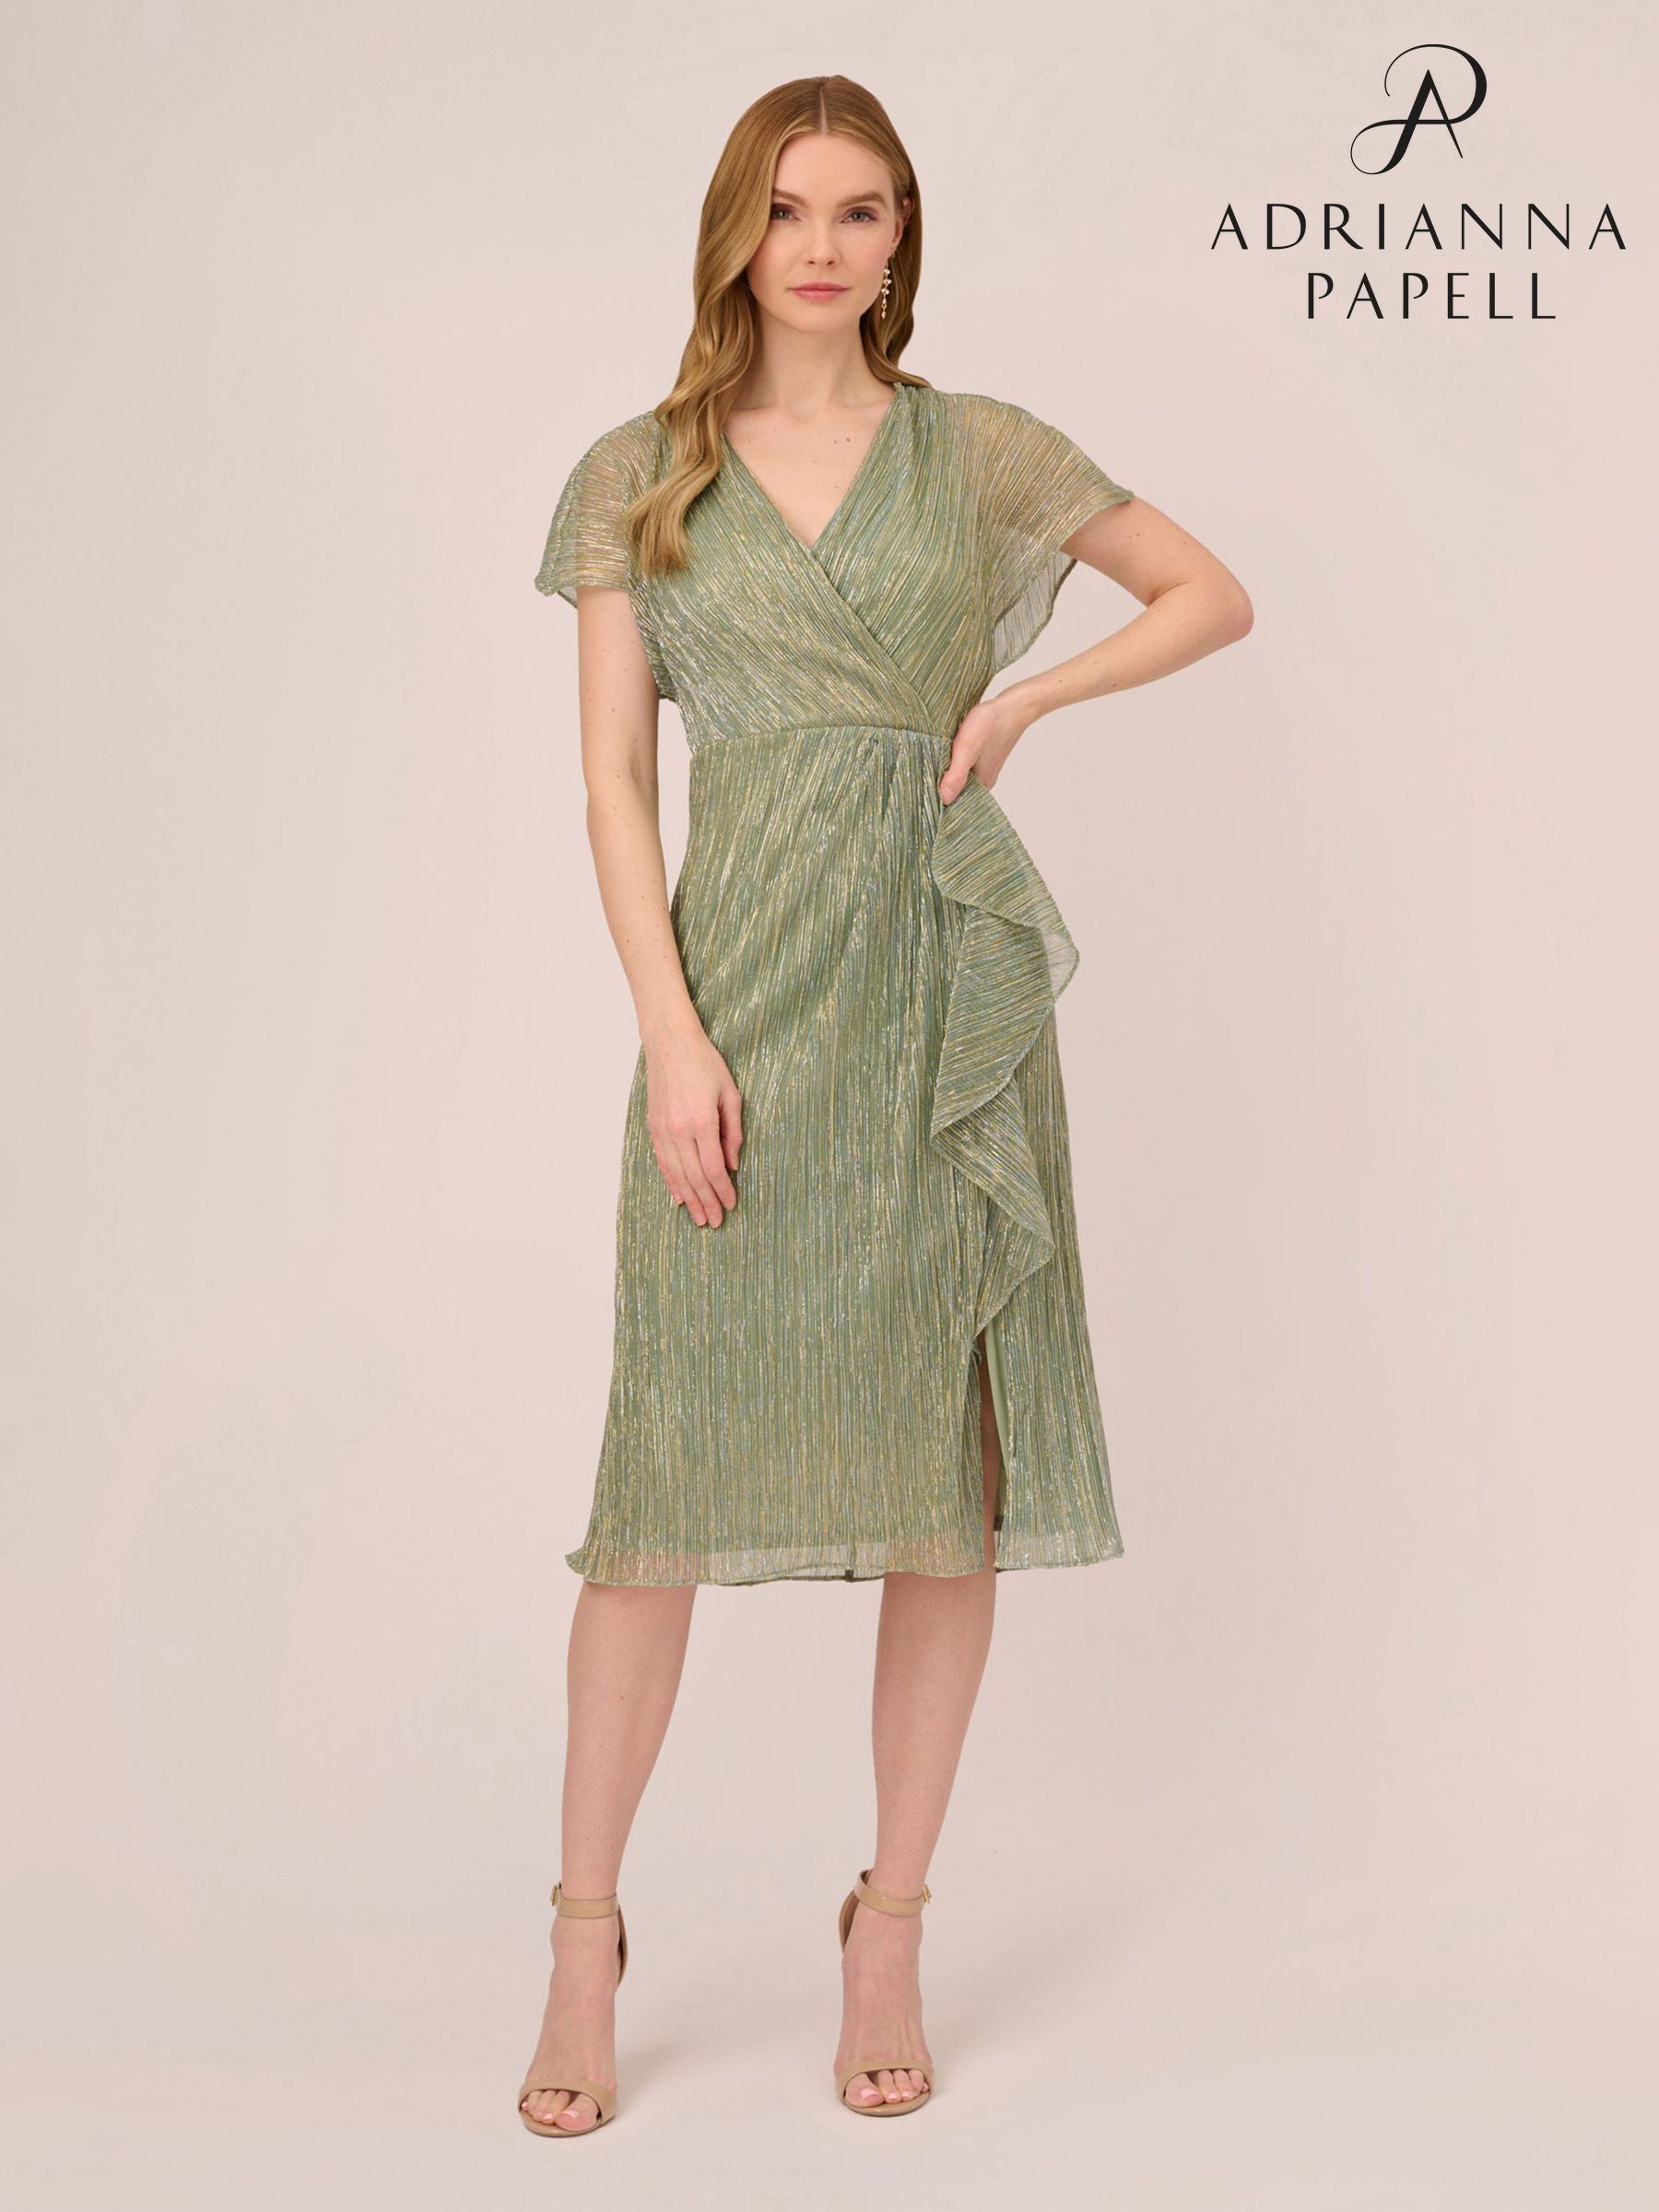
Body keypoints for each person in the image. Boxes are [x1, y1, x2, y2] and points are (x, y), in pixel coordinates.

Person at [517, 73, 1253, 2136]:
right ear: (734, 233)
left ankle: (893, 1921)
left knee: (952, 1462)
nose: (821, 246)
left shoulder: (978, 449)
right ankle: (582, 1934)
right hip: (741, 994)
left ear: (902, 234)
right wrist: (673, 1034)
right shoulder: (640, 471)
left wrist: (1028, 694)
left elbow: (1208, 590)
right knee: (660, 1482)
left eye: (858, 210)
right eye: (786, 208)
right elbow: (614, 782)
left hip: (937, 997)